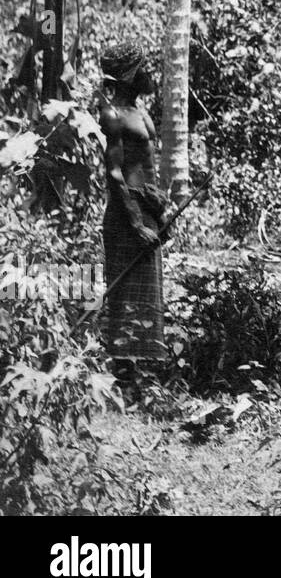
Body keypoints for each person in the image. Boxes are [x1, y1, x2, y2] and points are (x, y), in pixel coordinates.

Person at [98, 42, 168, 390]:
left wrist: (158, 214)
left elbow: (147, 169)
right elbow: (115, 174)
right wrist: (137, 223)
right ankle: (123, 378)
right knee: (125, 294)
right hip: (127, 218)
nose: (148, 74)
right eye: (141, 68)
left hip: (147, 209)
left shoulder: (139, 112)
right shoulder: (113, 115)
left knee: (147, 295)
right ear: (128, 75)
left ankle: (139, 378)